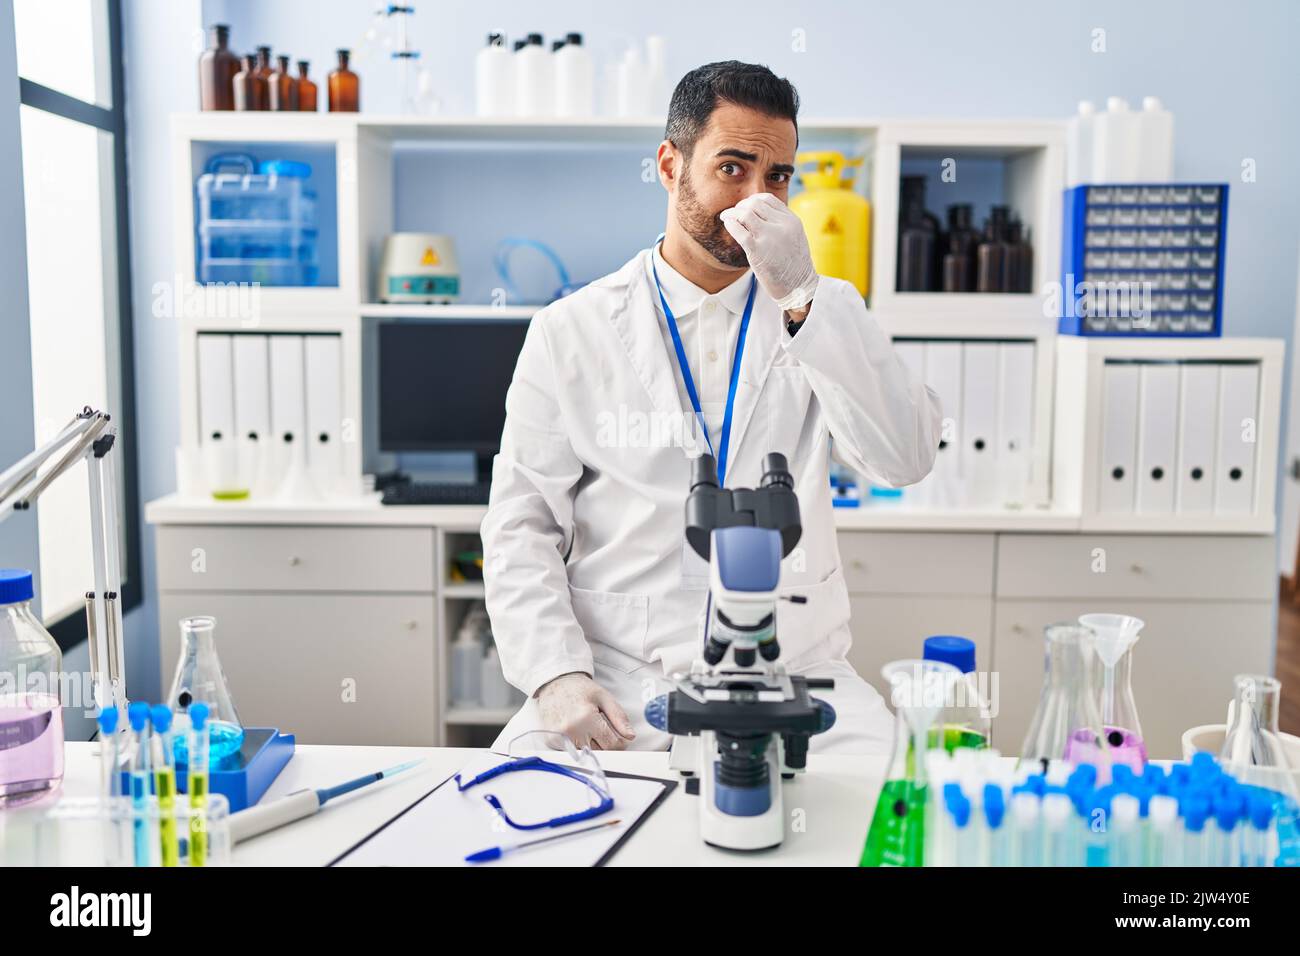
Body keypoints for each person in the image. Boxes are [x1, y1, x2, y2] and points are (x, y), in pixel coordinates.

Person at [481, 60, 942, 754]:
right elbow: (521, 526)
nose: (758, 197)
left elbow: (904, 458)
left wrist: (802, 297)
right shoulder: (570, 330)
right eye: (733, 167)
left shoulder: (823, 308)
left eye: (778, 175)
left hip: (797, 677)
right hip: (622, 682)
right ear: (670, 166)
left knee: (888, 821)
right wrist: (556, 677)